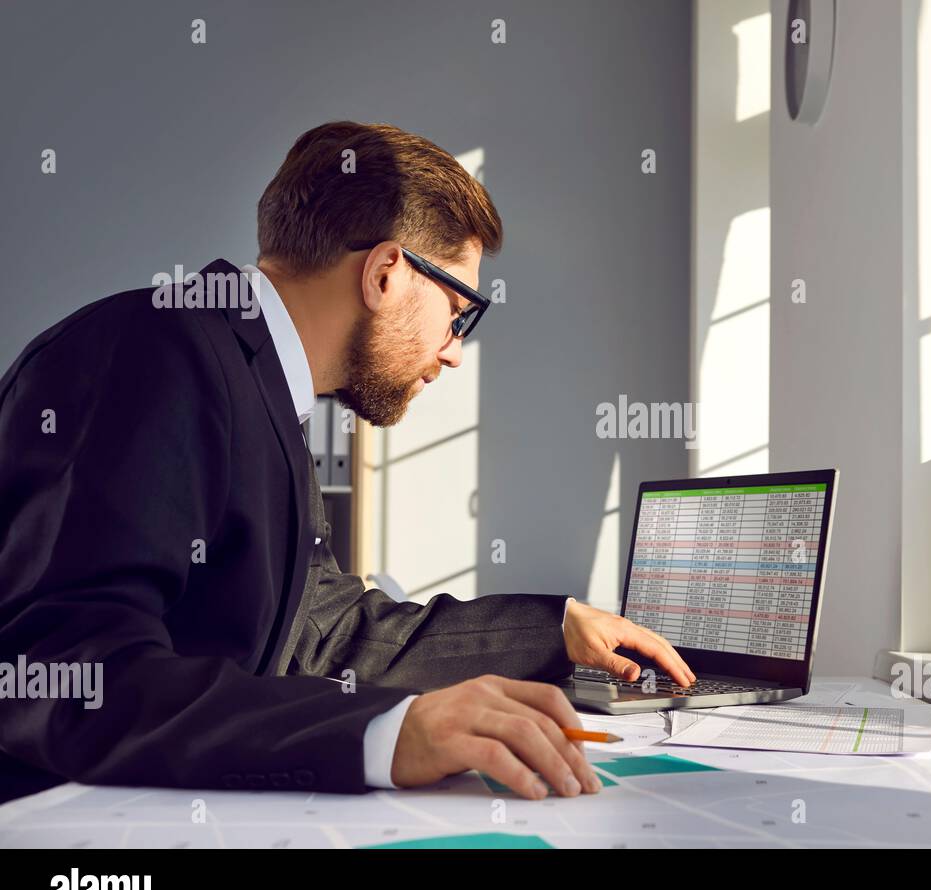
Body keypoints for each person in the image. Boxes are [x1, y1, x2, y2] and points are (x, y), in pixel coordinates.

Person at [0, 121, 694, 805]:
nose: (454, 351)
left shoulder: (260, 389)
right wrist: (386, 735)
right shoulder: (150, 355)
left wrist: (556, 629)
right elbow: (69, 674)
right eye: (459, 312)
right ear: (387, 273)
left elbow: (330, 633)